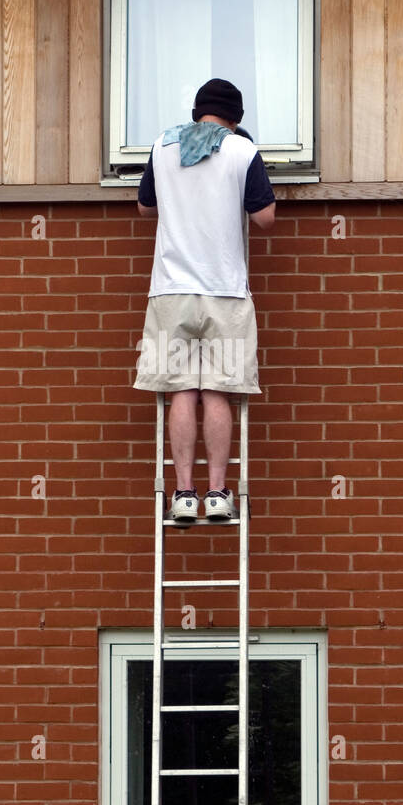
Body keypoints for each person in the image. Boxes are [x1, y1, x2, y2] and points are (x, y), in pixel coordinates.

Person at [133, 78, 276, 523]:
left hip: (171, 290)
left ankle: (182, 494)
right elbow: (265, 219)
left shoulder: (162, 146)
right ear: (234, 118)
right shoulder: (240, 151)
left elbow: (144, 208)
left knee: (180, 389)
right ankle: (216, 493)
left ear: (198, 112)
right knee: (217, 390)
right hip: (225, 291)